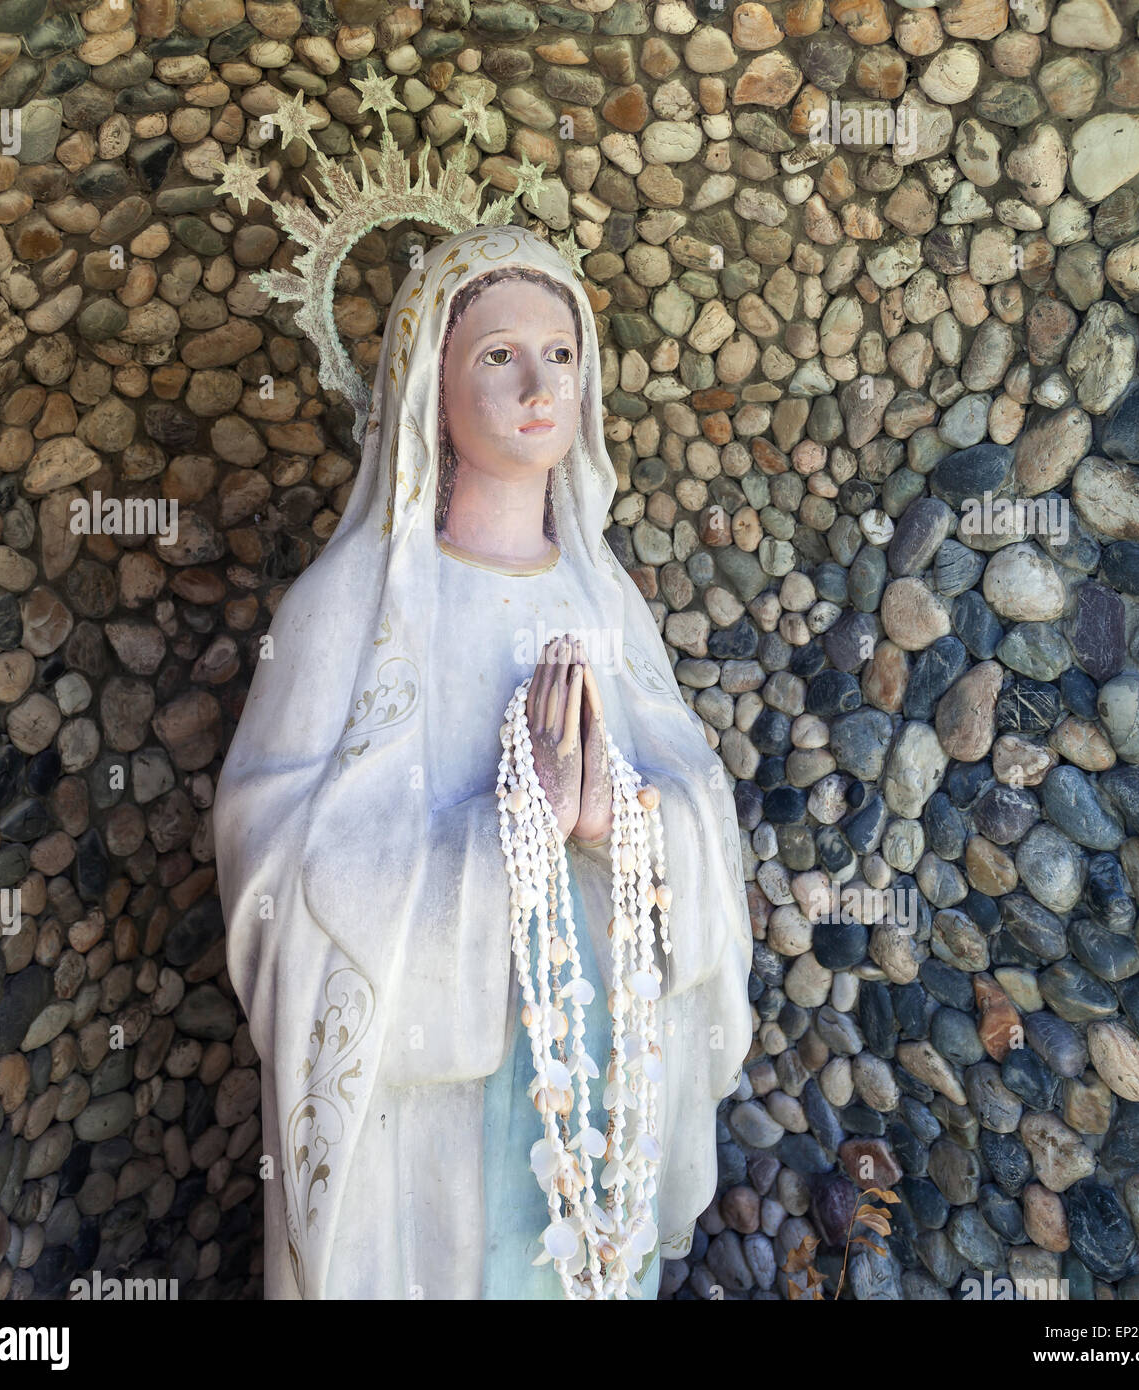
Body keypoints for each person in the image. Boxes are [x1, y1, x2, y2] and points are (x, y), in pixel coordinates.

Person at [214, 223, 754, 1299]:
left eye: (560, 354)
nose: (538, 386)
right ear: (431, 385)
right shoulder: (349, 607)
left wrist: (618, 818)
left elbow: (699, 798)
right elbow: (268, 859)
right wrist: (508, 832)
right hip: (431, 1124)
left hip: (598, 1053)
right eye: (498, 355)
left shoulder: (606, 601)